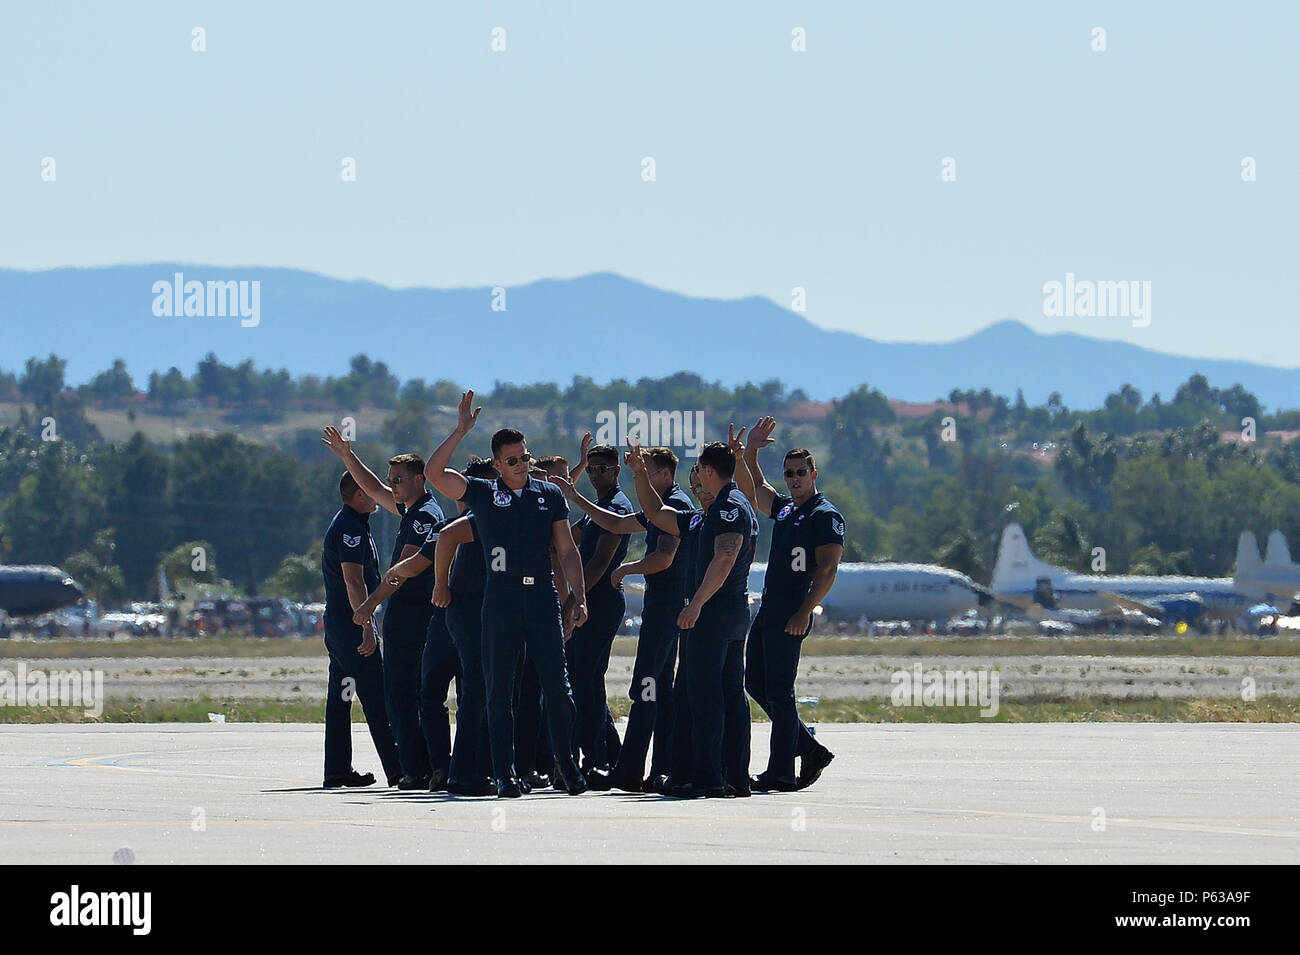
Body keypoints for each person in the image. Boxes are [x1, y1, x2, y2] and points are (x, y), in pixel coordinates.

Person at [423, 391, 590, 797]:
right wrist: (461, 430)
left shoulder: (547, 494)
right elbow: (433, 472)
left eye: (525, 457)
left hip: (541, 599)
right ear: (497, 464)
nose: (521, 465)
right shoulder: (481, 493)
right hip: (499, 601)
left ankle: (566, 764)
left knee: (558, 685)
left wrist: (579, 597)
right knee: (500, 690)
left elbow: (566, 550)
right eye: (512, 460)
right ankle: (505, 774)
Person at [552, 447, 690, 793]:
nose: (638, 482)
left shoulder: (674, 506)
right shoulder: (655, 509)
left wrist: (626, 569)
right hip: (659, 605)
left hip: (667, 605)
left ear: (663, 475)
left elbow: (664, 556)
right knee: (655, 688)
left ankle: (631, 768)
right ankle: (653, 767)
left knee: (645, 687)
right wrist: (573, 496)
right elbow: (610, 523)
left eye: (644, 474)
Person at [322, 429, 446, 789]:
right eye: (391, 479)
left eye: (399, 480)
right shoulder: (409, 507)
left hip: (414, 617)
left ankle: (413, 769)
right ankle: (410, 768)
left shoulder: (425, 515)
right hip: (398, 617)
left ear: (419, 480)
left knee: (399, 695)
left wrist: (368, 606)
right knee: (389, 695)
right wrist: (347, 456)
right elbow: (372, 487)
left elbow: (403, 570)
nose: (391, 486)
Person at [634, 441, 756, 797]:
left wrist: (696, 604)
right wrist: (640, 474)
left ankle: (710, 777)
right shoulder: (714, 510)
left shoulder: (729, 508)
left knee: (707, 698)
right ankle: (734, 776)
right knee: (728, 694)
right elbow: (657, 514)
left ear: (707, 470)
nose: (697, 476)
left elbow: (724, 558)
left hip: (715, 614)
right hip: (726, 614)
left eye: (699, 469)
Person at [739, 416, 844, 791]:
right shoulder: (785, 510)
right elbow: (756, 488)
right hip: (770, 607)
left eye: (801, 472)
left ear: (814, 474)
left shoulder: (824, 514)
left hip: (794, 609)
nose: (794, 478)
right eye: (789, 473)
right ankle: (808, 748)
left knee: (781, 689)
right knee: (755, 682)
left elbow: (828, 568)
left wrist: (805, 610)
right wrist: (750, 451)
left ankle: (782, 770)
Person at [319, 471, 401, 788]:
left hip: (341, 626)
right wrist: (366, 625)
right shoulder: (350, 530)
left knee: (342, 697)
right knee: (375, 695)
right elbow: (353, 580)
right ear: (359, 495)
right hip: (351, 626)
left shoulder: (350, 524)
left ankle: (337, 769)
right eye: (369, 489)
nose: (378, 494)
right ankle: (397, 769)